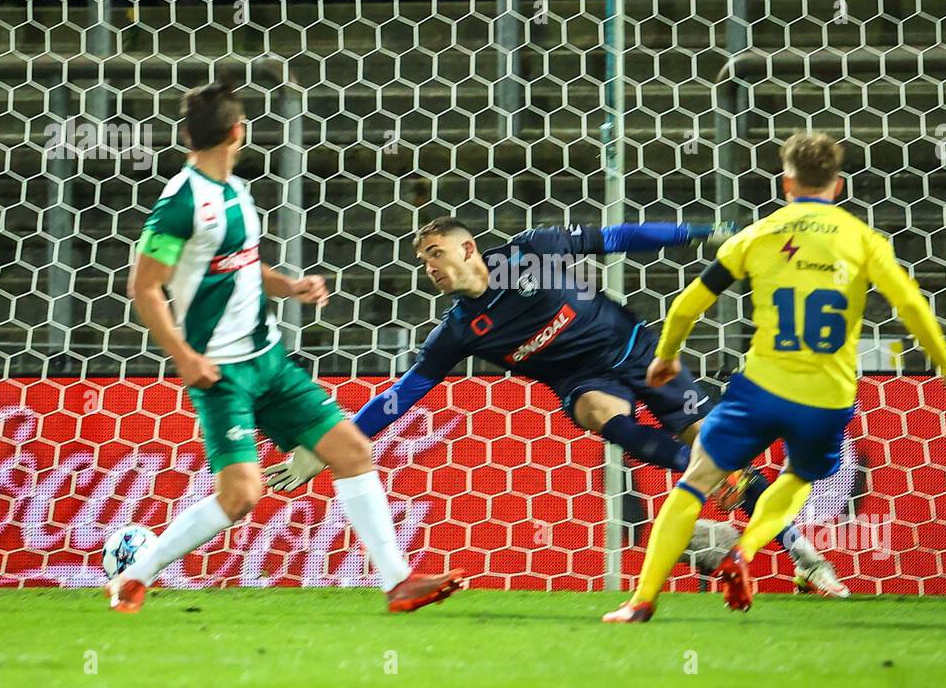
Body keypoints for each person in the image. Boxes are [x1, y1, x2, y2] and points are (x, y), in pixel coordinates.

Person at [263, 216, 847, 592]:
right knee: (600, 412)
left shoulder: (532, 252)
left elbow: (616, 238)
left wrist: (699, 235)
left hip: (639, 349)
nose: (430, 269)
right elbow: (403, 395)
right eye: (423, 262)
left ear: (468, 248)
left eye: (436, 254)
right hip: (582, 381)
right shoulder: (460, 331)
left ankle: (798, 552)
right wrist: (327, 445)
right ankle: (712, 490)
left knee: (709, 446)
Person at [109, 80, 463, 614]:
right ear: (238, 131)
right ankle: (138, 574)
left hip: (271, 363)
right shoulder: (181, 204)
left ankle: (399, 582)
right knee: (242, 495)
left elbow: (245, 266)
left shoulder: (237, 194)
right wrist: (184, 357)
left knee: (351, 451)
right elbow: (144, 286)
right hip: (221, 372)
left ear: (189, 134)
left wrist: (290, 286)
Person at [604, 131, 946, 623]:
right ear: (838, 186)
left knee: (694, 483)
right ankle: (748, 550)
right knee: (800, 476)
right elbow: (909, 303)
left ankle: (641, 601)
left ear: (786, 183)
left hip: (760, 390)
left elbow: (688, 304)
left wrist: (667, 356)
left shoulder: (759, 234)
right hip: (827, 398)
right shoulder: (863, 240)